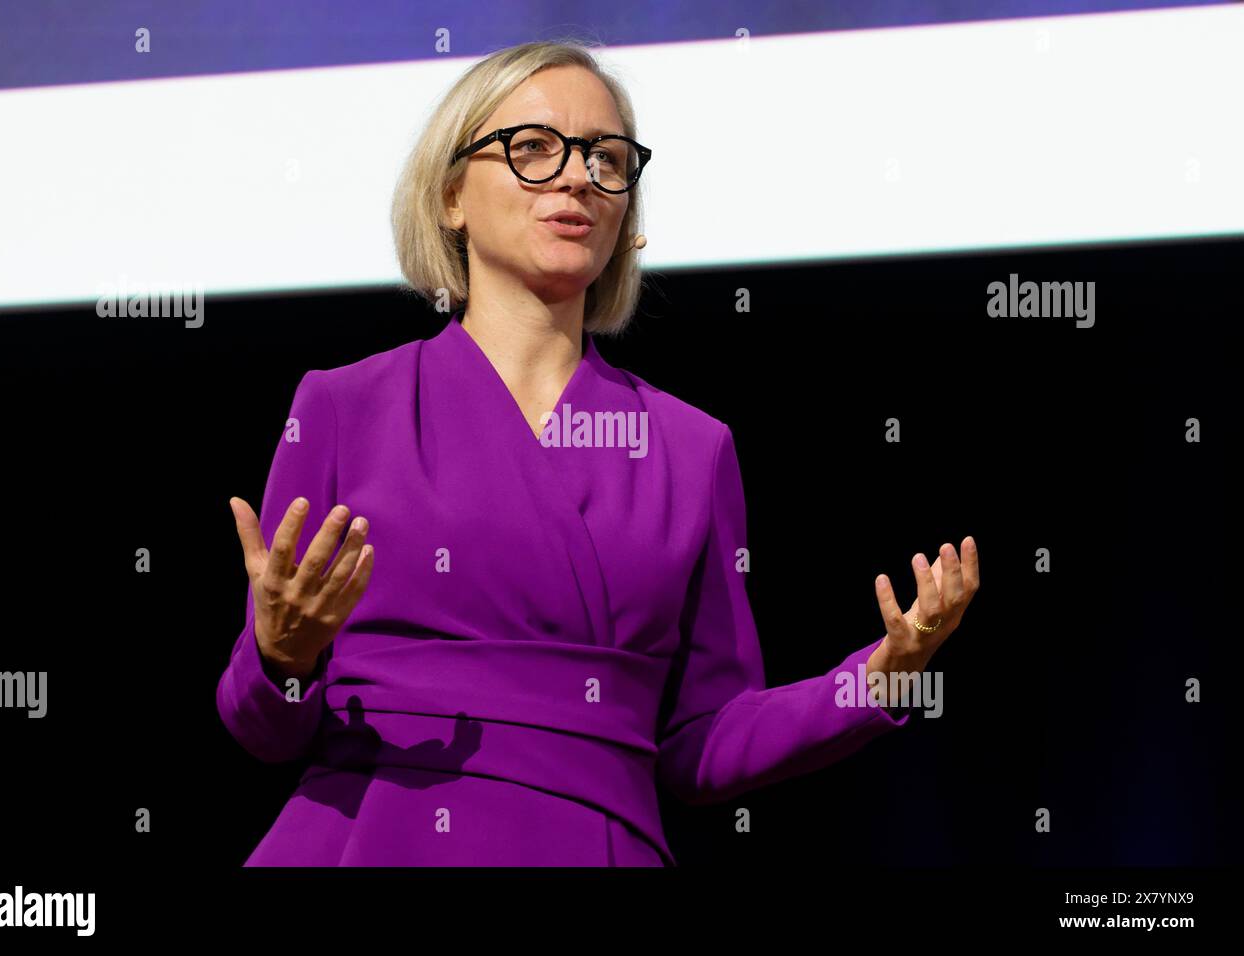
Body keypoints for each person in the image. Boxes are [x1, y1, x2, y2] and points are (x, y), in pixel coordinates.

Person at [217, 39, 980, 866]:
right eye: (534, 148)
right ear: (450, 197)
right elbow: (263, 725)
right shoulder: (343, 407)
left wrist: (881, 674)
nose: (578, 177)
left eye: (607, 158)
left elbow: (701, 743)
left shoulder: (693, 448)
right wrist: (282, 654)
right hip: (372, 839)